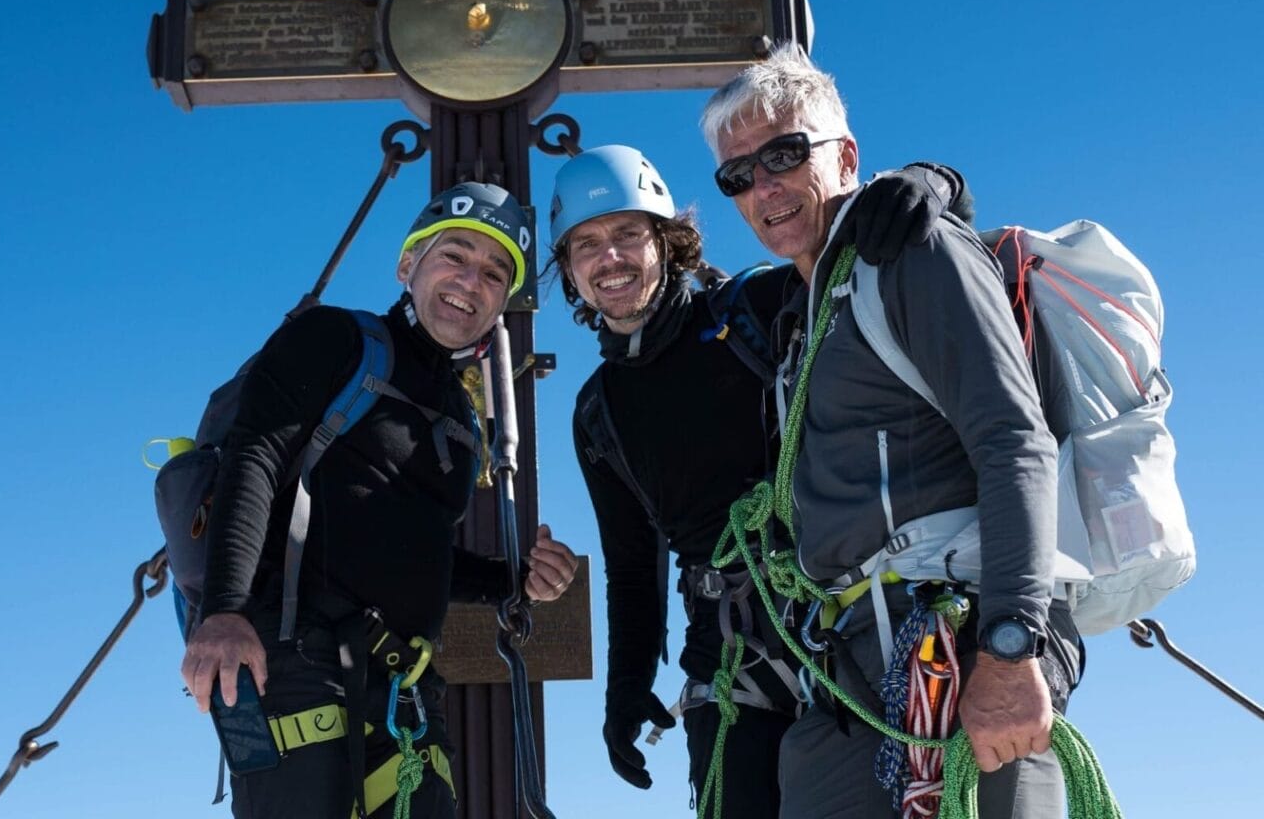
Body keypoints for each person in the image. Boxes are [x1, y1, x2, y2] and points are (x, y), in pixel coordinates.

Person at [699, 46, 1082, 818]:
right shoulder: (805, 312)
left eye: (784, 154)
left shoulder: (911, 253)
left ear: (845, 157)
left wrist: (1011, 649)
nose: (763, 186)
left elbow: (1014, 441)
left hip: (963, 642)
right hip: (850, 671)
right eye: (737, 175)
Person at [547, 145, 968, 816]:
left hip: (842, 618)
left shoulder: (757, 309)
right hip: (727, 656)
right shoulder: (597, 412)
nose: (611, 258)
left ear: (667, 242)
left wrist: (933, 183)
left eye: (628, 233)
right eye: (587, 245)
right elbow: (632, 568)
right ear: (569, 269)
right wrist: (625, 687)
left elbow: (874, 261)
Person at [180, 181, 579, 819]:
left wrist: (516, 581)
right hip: (292, 662)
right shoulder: (333, 339)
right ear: (407, 265)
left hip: (405, 688)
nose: (470, 281)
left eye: (493, 273)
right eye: (454, 255)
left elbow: (419, 552)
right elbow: (253, 460)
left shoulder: (460, 418)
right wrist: (223, 611)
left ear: (502, 300)